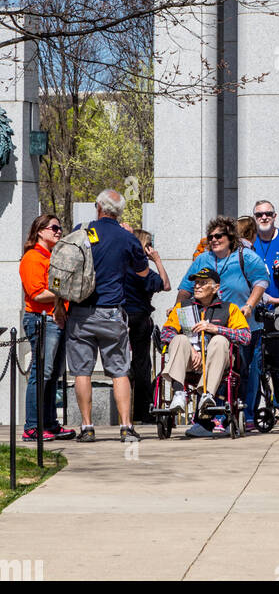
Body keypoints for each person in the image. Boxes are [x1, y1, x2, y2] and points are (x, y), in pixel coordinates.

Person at [64, 189, 151, 443]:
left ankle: (87, 427)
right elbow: (143, 273)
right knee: (119, 371)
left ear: (97, 206)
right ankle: (125, 427)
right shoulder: (127, 238)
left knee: (82, 371)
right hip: (112, 313)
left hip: (80, 311)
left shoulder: (82, 230)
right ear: (119, 212)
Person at [176, 216, 269, 431]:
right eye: (211, 237)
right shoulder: (203, 259)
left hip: (243, 324)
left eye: (219, 236)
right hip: (208, 325)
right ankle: (210, 418)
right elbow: (185, 289)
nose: (214, 240)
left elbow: (261, 282)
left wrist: (249, 304)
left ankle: (245, 415)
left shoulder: (246, 257)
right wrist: (178, 309)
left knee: (245, 372)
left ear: (230, 237)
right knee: (213, 369)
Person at [160, 267, 252, 431]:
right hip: (189, 362)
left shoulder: (229, 308)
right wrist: (190, 347)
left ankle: (207, 395)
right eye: (196, 283)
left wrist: (215, 329)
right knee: (179, 339)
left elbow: (245, 336)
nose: (197, 287)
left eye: (203, 283)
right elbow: (166, 333)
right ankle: (179, 393)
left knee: (219, 340)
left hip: (217, 363)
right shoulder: (182, 307)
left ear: (216, 288)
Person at [19, 214, 75, 441]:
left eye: (60, 228)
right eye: (54, 228)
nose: (58, 231)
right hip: (41, 320)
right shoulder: (33, 258)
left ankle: (50, 424)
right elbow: (37, 293)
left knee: (52, 375)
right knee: (41, 374)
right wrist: (67, 292)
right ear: (40, 231)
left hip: (56, 319)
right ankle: (32, 426)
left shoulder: (51, 258)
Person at [124, 228, 170, 426]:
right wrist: (157, 260)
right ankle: (143, 412)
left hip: (120, 317)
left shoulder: (122, 267)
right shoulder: (144, 271)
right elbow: (166, 285)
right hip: (140, 318)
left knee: (122, 367)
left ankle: (125, 414)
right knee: (142, 366)